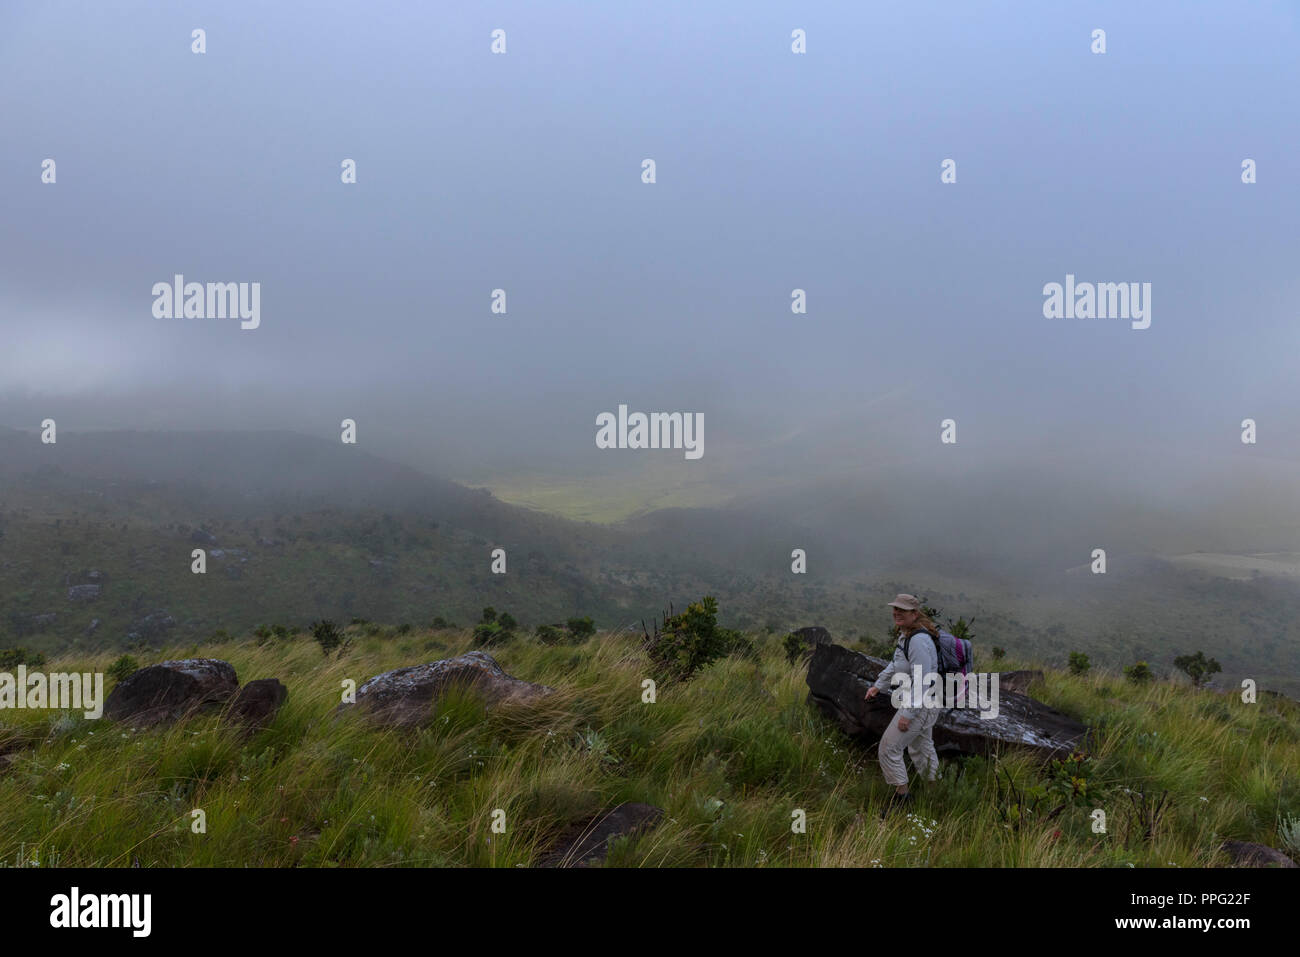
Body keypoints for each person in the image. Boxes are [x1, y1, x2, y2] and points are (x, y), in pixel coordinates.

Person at [864, 593, 942, 813]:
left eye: (902, 610)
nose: (896, 613)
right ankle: (935, 793)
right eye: (895, 609)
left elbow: (923, 679)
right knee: (921, 748)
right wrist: (879, 685)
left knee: (888, 749)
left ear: (914, 614)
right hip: (924, 703)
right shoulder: (907, 635)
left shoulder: (917, 640)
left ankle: (902, 799)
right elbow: (897, 663)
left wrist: (908, 713)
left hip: (920, 704)